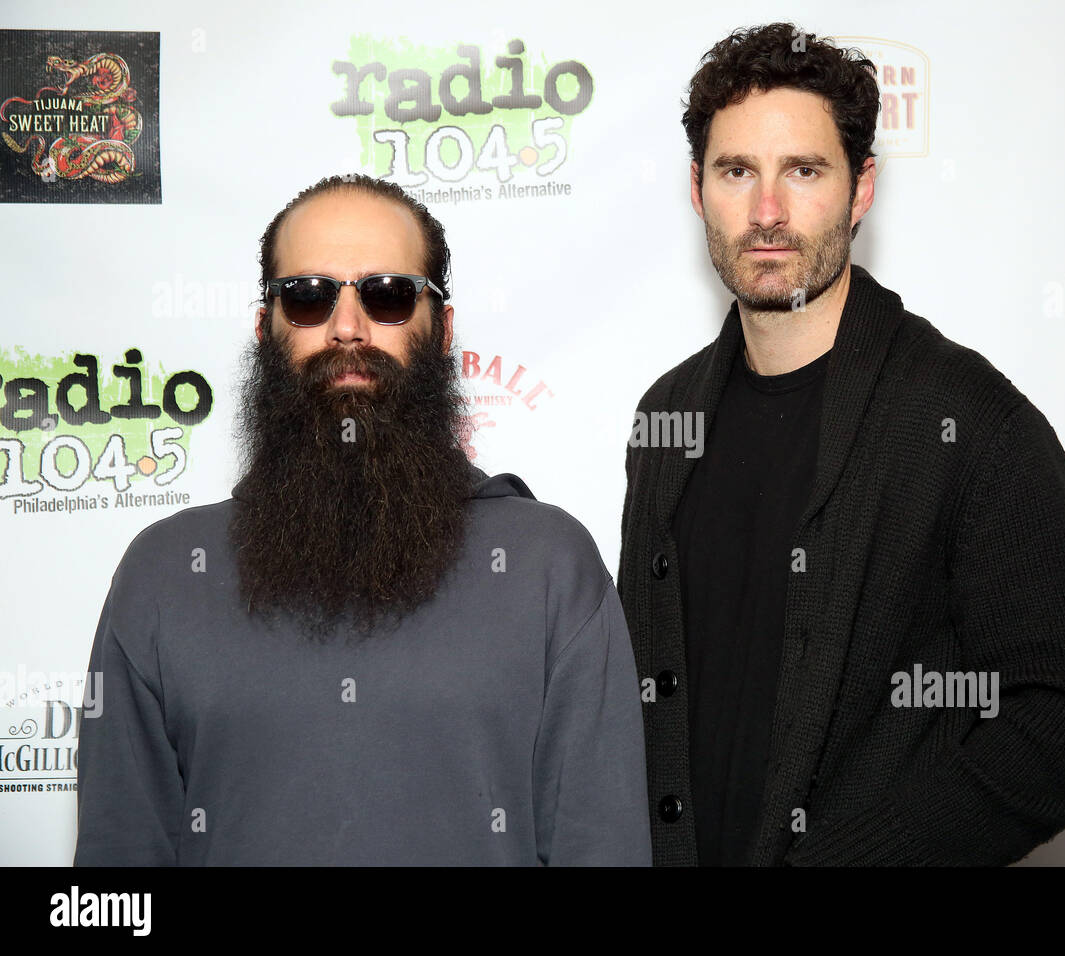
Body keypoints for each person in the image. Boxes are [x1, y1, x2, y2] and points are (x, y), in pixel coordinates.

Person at [618, 23, 1065, 866]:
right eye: (737, 171)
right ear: (696, 187)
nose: (767, 213)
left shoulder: (966, 419)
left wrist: (870, 854)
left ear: (862, 190)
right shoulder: (667, 417)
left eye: (804, 171)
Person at [74, 173, 651, 866]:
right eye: (308, 298)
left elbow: (603, 848)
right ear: (266, 331)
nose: (347, 327)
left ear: (442, 330)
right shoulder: (163, 574)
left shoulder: (550, 567)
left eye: (388, 295)